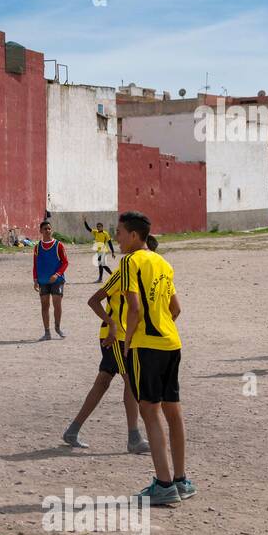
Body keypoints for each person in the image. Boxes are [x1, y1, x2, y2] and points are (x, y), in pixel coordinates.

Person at [117, 211, 191, 505]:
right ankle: (181, 480)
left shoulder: (129, 262)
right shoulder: (163, 262)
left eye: (120, 232)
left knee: (149, 410)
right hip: (171, 343)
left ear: (134, 236)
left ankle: (163, 483)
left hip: (146, 346)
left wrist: (128, 341)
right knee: (173, 411)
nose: (117, 238)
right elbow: (176, 308)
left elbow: (133, 308)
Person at [62, 243, 150, 454]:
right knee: (131, 381)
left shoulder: (138, 277)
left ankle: (72, 430)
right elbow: (93, 301)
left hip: (123, 336)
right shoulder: (122, 275)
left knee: (103, 382)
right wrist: (111, 324)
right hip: (115, 337)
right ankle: (134, 437)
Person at [33, 220, 69, 339]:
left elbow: (65, 262)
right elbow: (35, 264)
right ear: (41, 231)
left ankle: (57, 328)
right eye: (45, 229)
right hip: (43, 281)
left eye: (49, 228)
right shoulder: (37, 247)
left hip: (57, 280)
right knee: (44, 306)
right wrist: (35, 279)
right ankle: (47, 332)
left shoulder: (59, 245)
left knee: (57, 304)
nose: (47, 231)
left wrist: (57, 274)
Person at [83, 218, 116, 283]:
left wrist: (113, 252)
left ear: (102, 227)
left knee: (102, 264)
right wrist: (85, 222)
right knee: (101, 265)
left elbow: (110, 243)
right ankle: (102, 278)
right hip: (98, 251)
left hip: (103, 251)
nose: (98, 228)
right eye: (97, 227)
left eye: (99, 227)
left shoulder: (105, 233)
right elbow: (88, 229)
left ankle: (112, 276)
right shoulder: (95, 232)